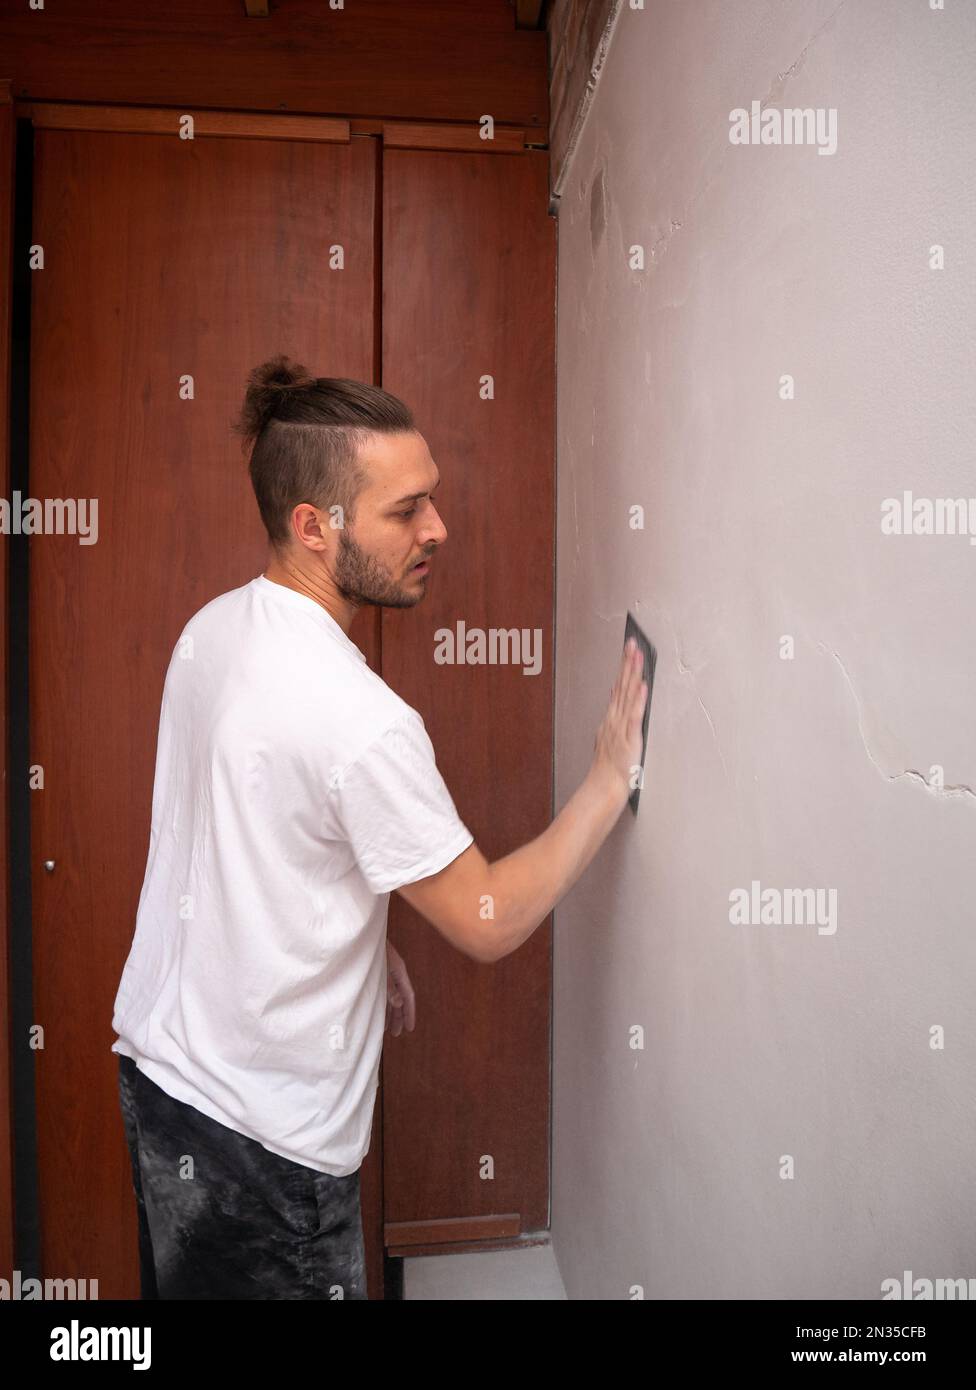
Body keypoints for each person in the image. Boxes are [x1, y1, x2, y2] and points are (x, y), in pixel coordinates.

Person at [112, 353, 647, 1300]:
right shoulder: (362, 720)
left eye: (430, 499)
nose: (438, 529)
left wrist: (366, 930)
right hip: (268, 1151)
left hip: (165, 1087)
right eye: (406, 511)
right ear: (316, 527)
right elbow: (486, 917)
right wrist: (608, 780)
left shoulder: (214, 630)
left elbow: (254, 829)